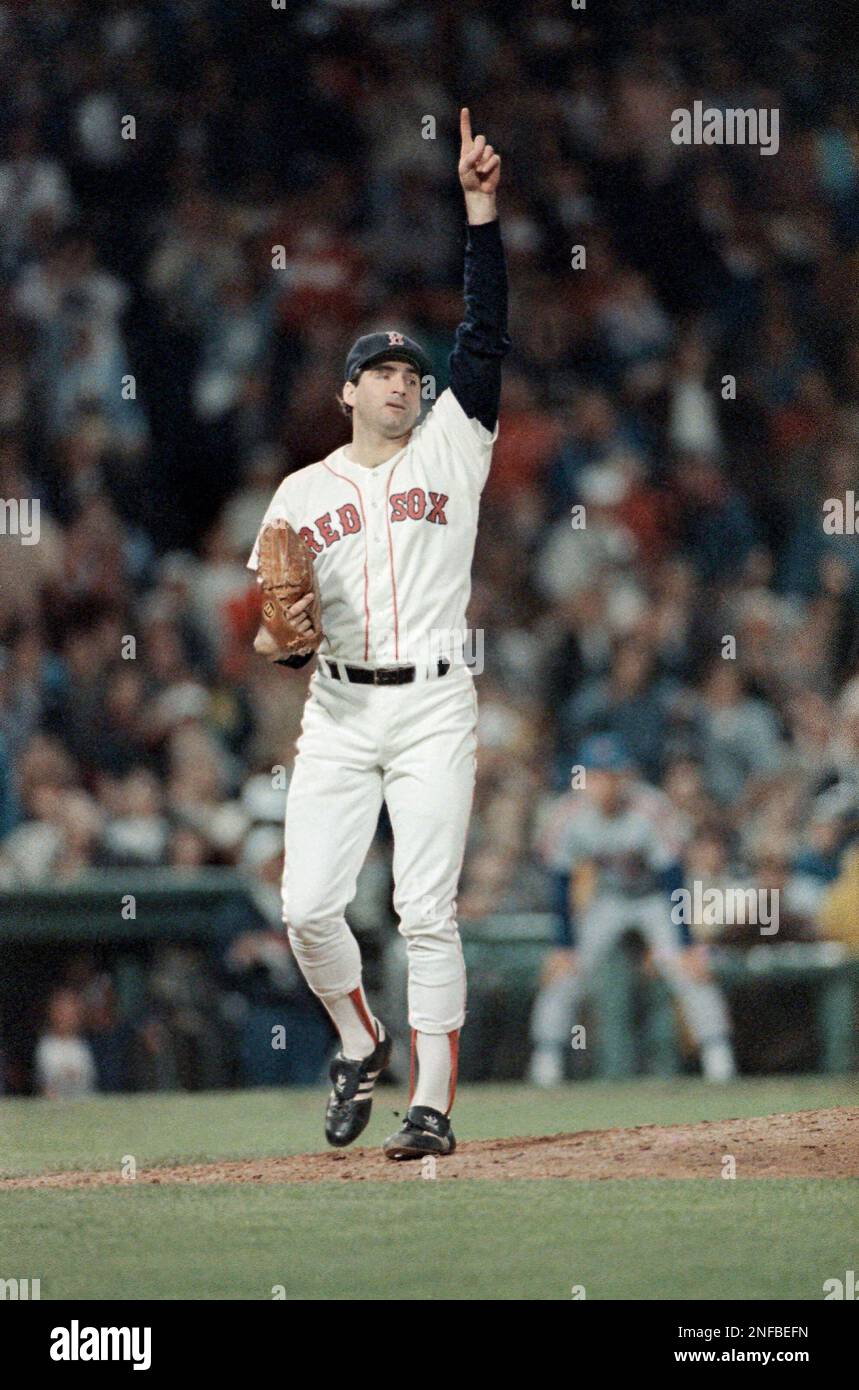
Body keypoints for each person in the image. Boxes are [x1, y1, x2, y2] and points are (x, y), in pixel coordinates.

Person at [247, 110, 509, 1160]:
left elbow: (483, 333)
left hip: (438, 698)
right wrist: (281, 640)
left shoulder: (456, 446)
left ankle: (431, 1106)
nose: (405, 379)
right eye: (384, 370)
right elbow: (277, 636)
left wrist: (478, 212)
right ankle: (356, 1036)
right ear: (349, 390)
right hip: (342, 710)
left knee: (424, 908)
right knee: (308, 906)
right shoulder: (300, 493)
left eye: (414, 370)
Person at [528, 734, 736, 1086]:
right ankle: (546, 1055)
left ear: (626, 776)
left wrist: (685, 943)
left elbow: (674, 881)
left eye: (613, 774)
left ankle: (718, 1054)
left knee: (688, 969)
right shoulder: (568, 815)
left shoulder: (651, 808)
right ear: (585, 778)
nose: (605, 784)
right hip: (607, 898)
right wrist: (563, 945)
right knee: (566, 969)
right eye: (597, 775)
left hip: (655, 898)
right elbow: (560, 884)